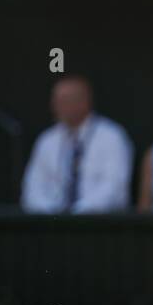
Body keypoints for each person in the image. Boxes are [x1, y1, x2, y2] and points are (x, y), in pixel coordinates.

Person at [21, 77, 133, 213]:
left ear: (84, 102)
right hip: (51, 224)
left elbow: (114, 188)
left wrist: (76, 215)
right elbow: (33, 187)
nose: (55, 106)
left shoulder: (112, 137)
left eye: (64, 100)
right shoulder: (47, 140)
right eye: (55, 100)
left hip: (99, 223)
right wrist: (52, 215)